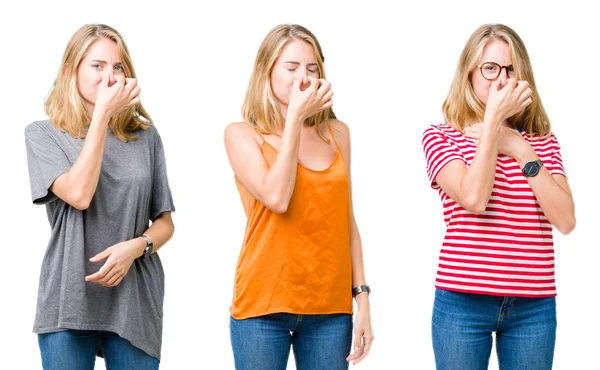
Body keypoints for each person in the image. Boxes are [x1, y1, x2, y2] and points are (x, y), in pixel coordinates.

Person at [422, 23, 576, 369]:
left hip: (532, 306)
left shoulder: (541, 143)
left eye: (510, 69)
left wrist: (520, 149)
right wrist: (493, 125)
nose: (501, 80)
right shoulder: (441, 137)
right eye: (490, 68)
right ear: (469, 74)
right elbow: (475, 199)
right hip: (462, 302)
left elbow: (565, 220)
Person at [24, 24, 175, 370]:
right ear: (70, 71)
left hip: (134, 299)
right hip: (69, 297)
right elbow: (79, 194)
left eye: (118, 66)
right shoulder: (43, 135)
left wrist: (137, 247)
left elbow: (165, 222)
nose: (110, 76)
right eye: (97, 65)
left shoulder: (145, 137)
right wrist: (102, 116)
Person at [224, 24, 373, 370]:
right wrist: (294, 119)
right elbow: (277, 197)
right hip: (263, 305)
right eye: (291, 68)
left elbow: (346, 220)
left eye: (312, 68)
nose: (303, 78)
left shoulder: (338, 133)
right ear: (267, 71)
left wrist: (362, 297)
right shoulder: (241, 134)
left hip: (330, 309)